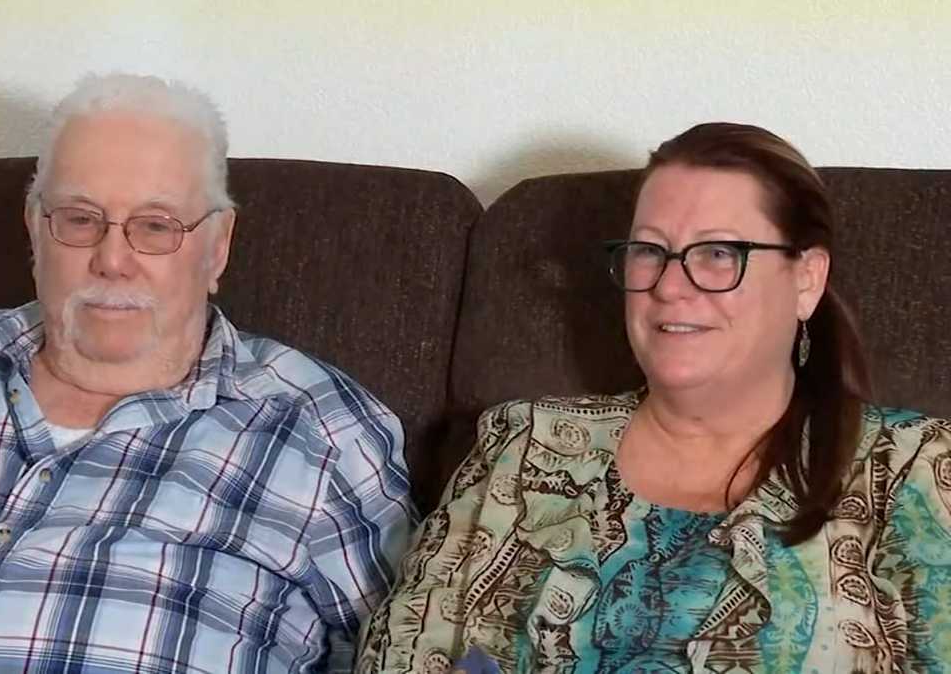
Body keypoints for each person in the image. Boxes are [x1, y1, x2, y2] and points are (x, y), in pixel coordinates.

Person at [0, 73, 415, 673]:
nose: (113, 260)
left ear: (218, 247)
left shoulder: (316, 427)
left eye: (155, 226)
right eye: (80, 220)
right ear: (35, 230)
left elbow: (414, 648)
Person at [356, 122, 951, 672]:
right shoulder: (520, 443)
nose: (668, 286)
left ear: (806, 280)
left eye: (719, 253)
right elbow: (402, 654)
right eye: (649, 251)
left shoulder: (913, 467)